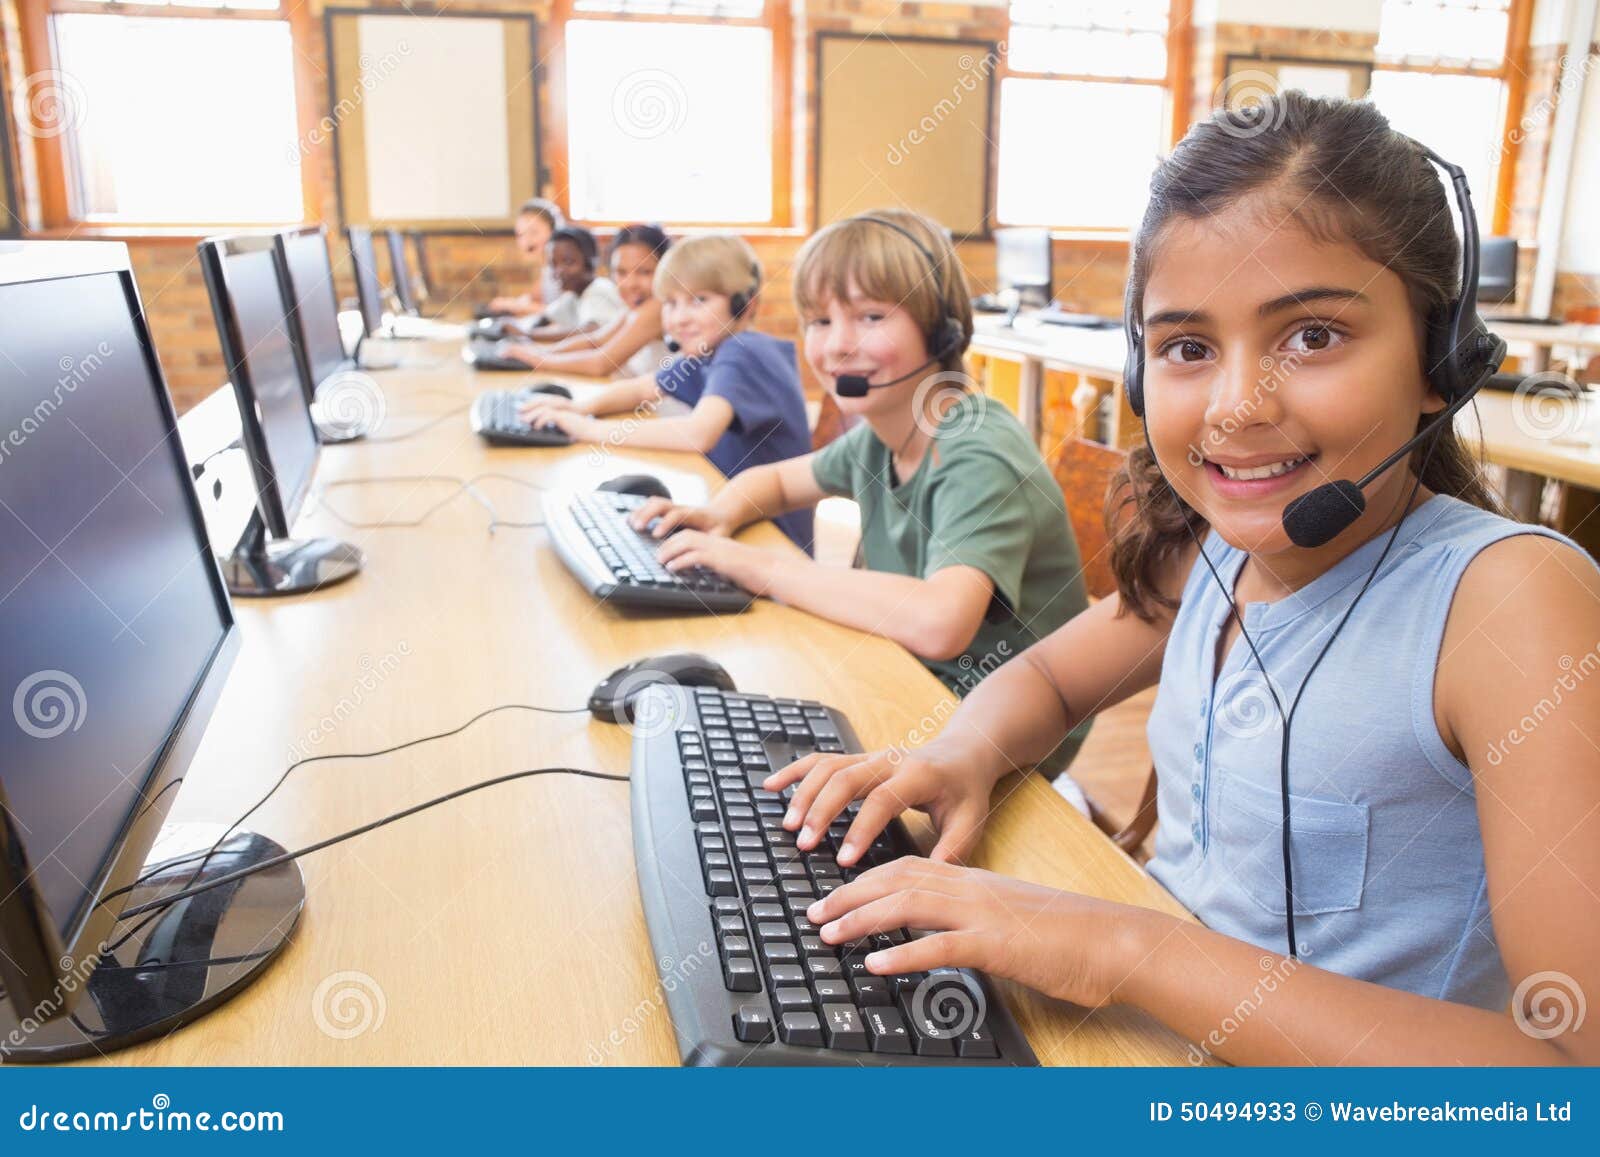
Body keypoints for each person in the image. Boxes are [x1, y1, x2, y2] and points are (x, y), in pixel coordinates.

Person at [766, 94, 1600, 1066]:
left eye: (1312, 335)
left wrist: (1126, 946)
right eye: (1187, 348)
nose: (1236, 407)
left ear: (1438, 362)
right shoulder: (1216, 547)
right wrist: (961, 751)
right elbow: (1050, 679)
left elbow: (1565, 1072)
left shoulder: (1509, 603)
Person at [500, 224, 671, 379]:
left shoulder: (658, 307)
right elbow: (595, 340)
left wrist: (537, 359)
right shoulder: (635, 307)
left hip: (659, 411)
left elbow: (601, 363)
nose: (630, 283)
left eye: (645, 272)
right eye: (621, 272)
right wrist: (539, 351)